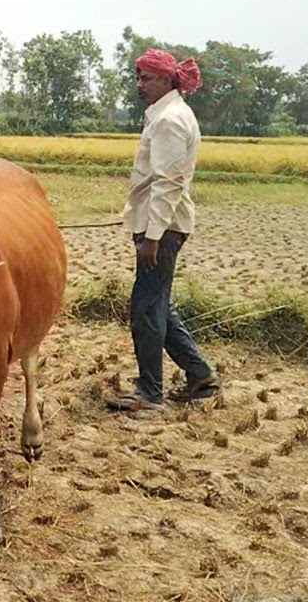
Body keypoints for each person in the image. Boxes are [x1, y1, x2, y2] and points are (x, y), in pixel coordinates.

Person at [107, 48, 221, 413]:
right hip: (162, 223)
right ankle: (200, 374)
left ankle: (150, 392)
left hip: (164, 228)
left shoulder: (170, 120)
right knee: (158, 306)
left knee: (145, 308)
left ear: (169, 81)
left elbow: (168, 182)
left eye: (149, 78)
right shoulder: (165, 115)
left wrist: (152, 236)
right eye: (139, 77)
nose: (141, 84)